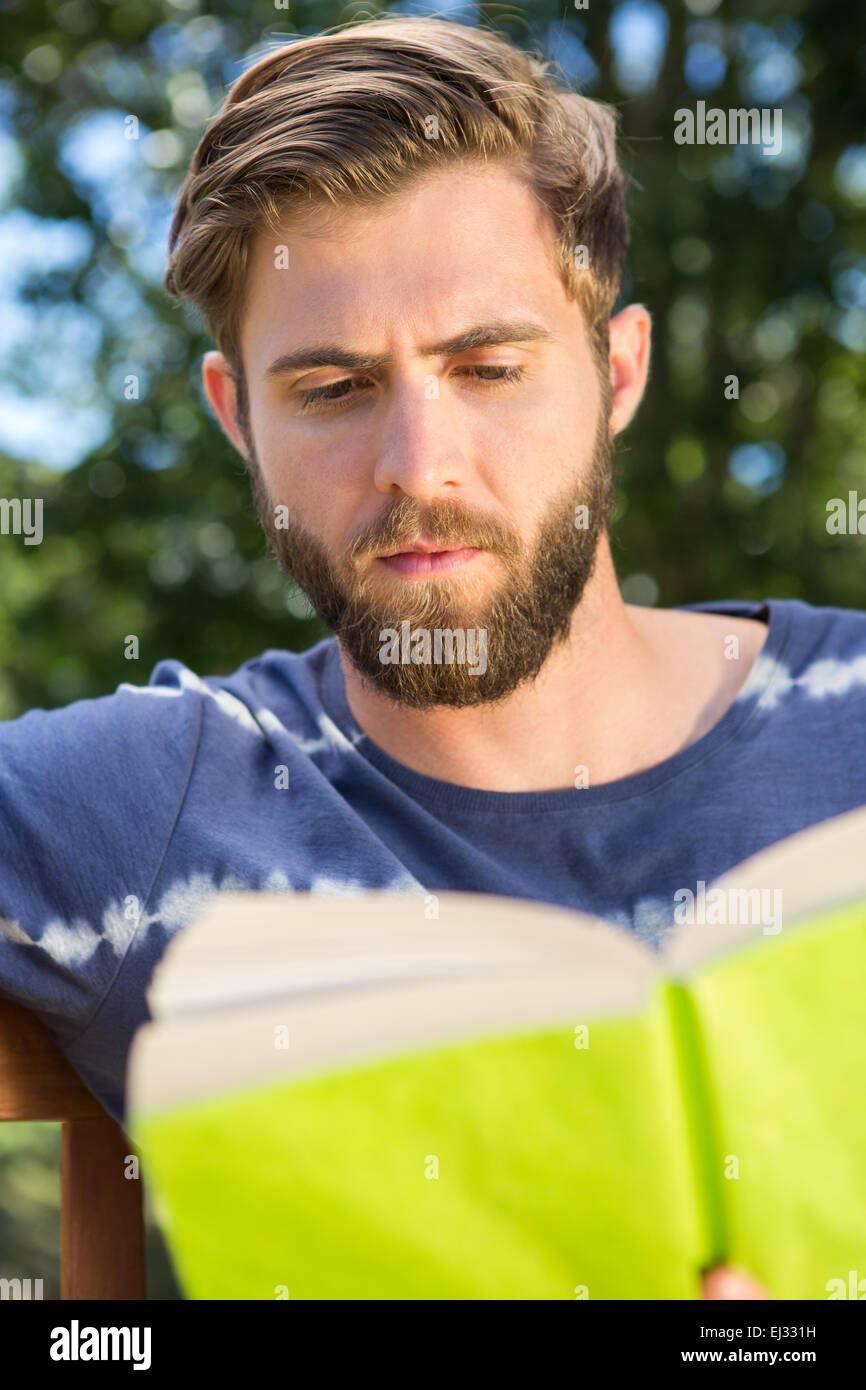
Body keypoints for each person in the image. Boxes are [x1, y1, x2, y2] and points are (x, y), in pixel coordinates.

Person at [2, 16, 861, 1300]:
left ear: (614, 372)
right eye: (333, 390)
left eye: (489, 365)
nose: (418, 462)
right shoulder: (143, 806)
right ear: (239, 418)